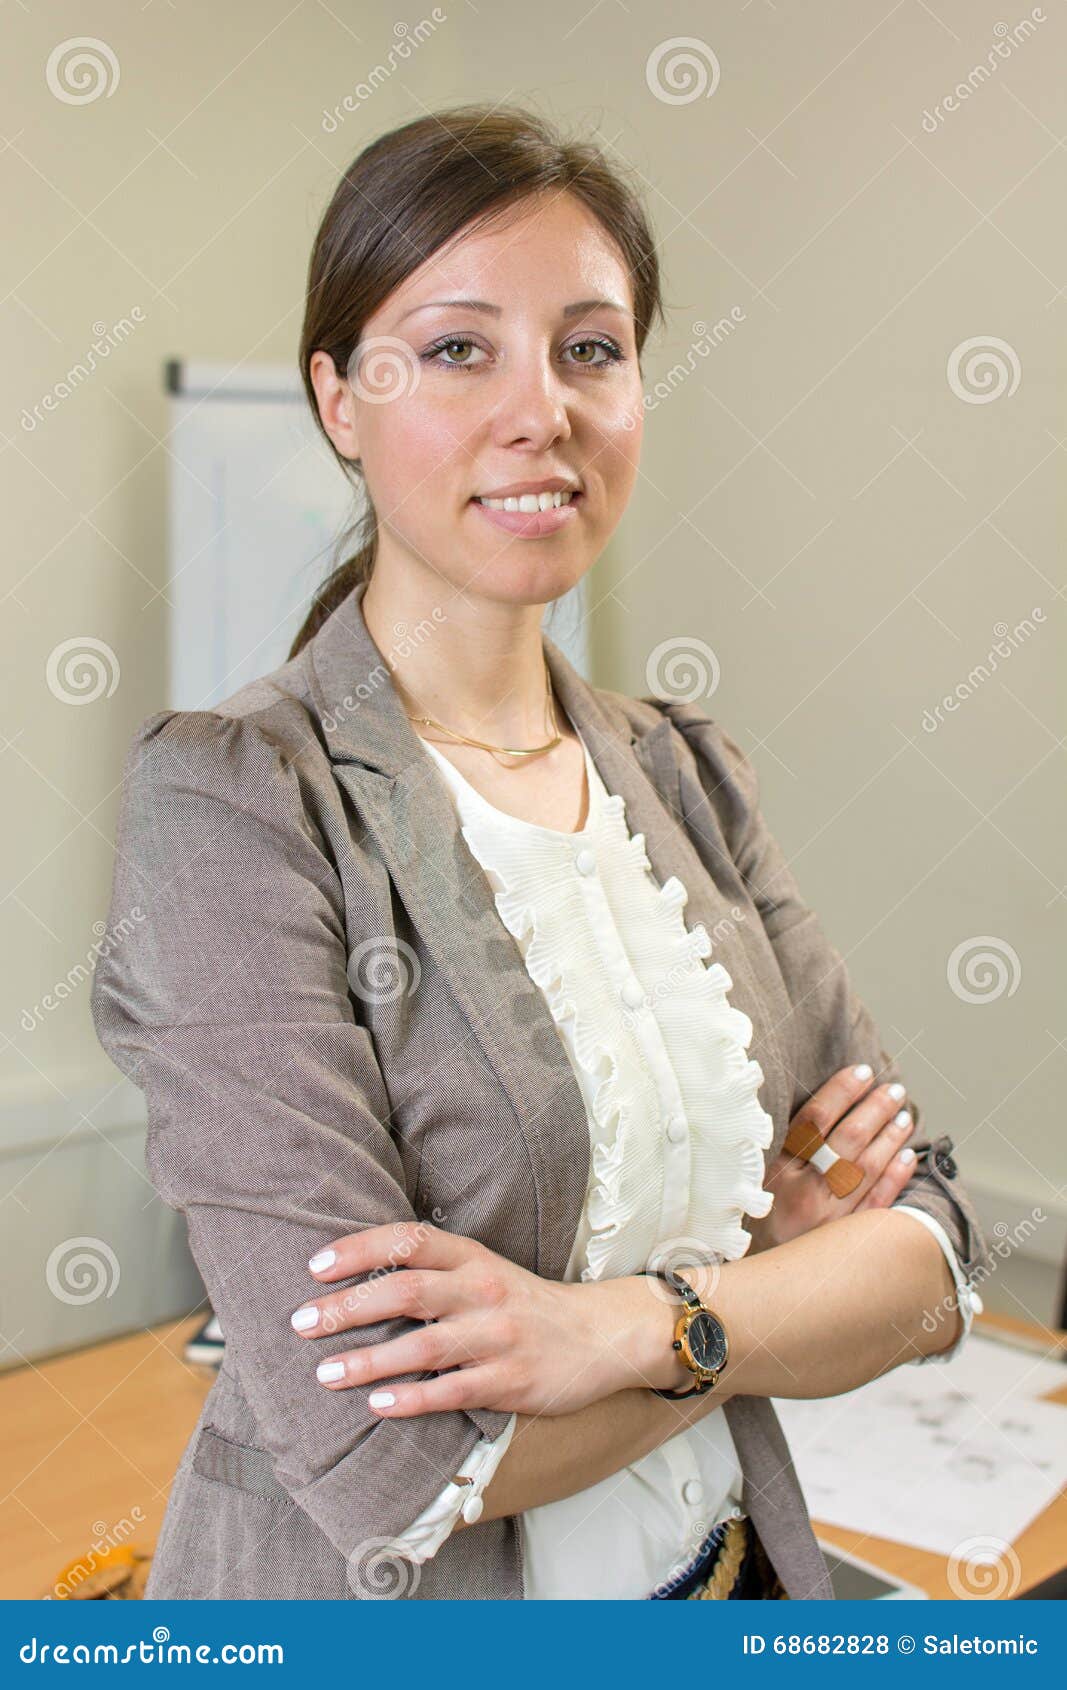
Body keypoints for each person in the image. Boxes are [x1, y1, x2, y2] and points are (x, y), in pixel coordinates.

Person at [90, 102, 991, 1601]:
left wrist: (627, 1325)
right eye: (458, 348)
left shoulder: (690, 775)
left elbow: (933, 1250)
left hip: (732, 1589)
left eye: (591, 349)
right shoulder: (239, 805)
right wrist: (763, 1302)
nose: (542, 411)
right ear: (339, 399)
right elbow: (387, 1454)